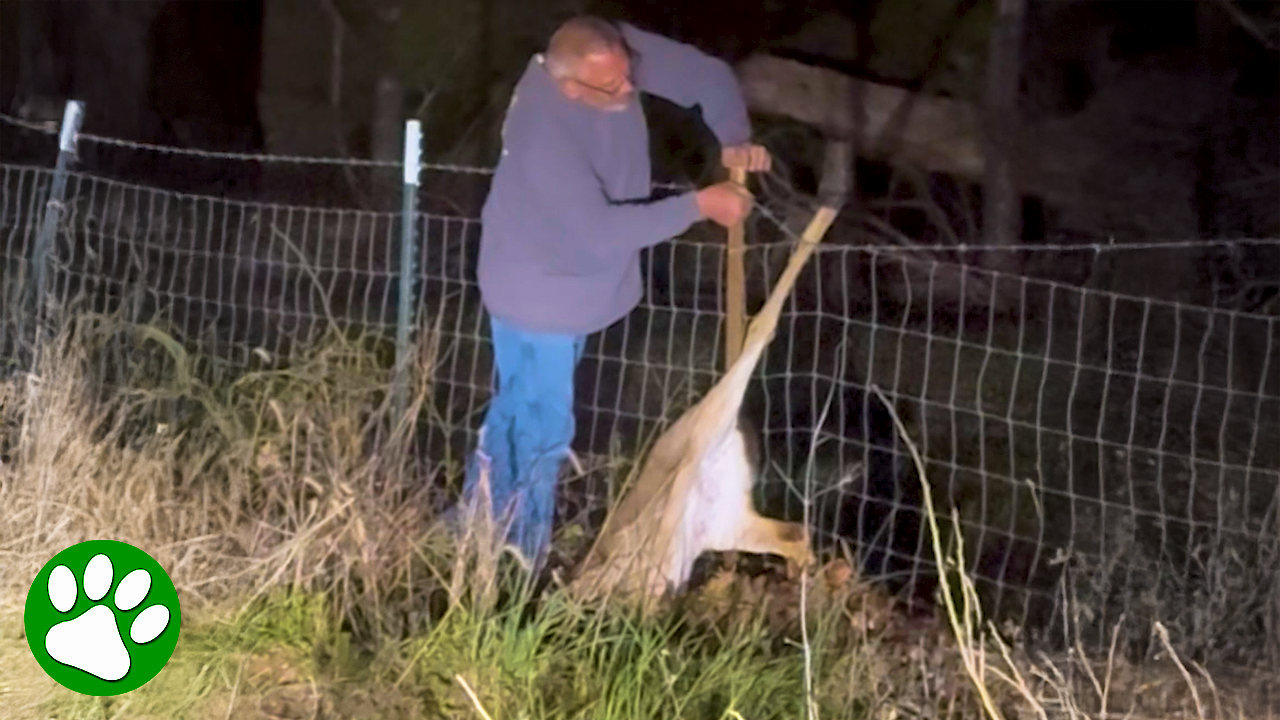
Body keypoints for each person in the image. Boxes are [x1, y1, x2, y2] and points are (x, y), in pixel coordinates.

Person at [451, 15, 772, 572]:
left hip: (569, 281)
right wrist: (699, 205)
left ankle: (471, 518)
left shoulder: (607, 58)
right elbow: (599, 231)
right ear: (570, 87)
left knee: (518, 403)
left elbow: (708, 77)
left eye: (629, 75)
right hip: (537, 287)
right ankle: (518, 555)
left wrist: (735, 137)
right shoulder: (542, 134)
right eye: (613, 86)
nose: (630, 91)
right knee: (544, 423)